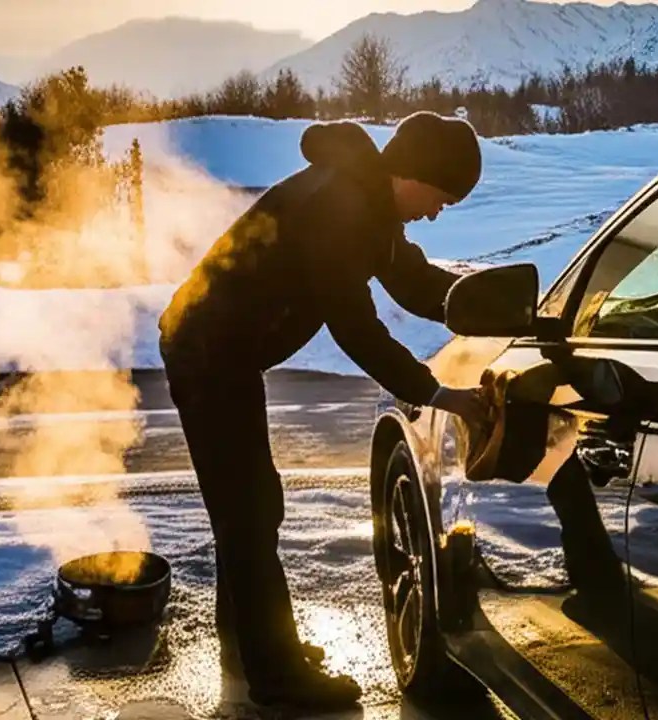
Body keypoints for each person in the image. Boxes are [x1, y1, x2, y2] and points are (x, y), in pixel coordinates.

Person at [158, 112, 488, 712]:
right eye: (442, 197)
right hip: (205, 349)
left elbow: (413, 282)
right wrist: (436, 391)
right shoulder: (341, 206)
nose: (439, 211)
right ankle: (276, 679)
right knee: (247, 512)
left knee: (253, 507)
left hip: (224, 353)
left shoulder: (368, 203)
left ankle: (252, 647)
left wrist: (485, 307)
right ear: (415, 172)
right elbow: (357, 328)